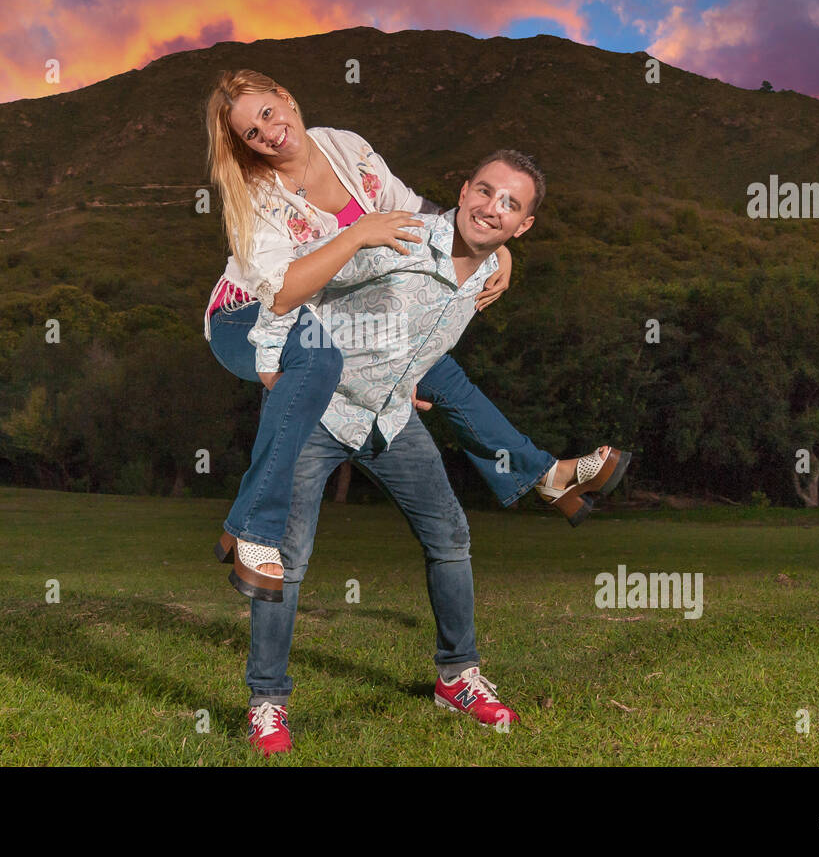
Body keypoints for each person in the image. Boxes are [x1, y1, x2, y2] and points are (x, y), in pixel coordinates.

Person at [242, 151, 631, 756]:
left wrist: (401, 377)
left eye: (510, 204)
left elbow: (417, 341)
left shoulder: (486, 274)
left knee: (450, 537)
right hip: (319, 413)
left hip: (390, 419)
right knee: (286, 558)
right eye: (485, 190)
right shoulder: (397, 238)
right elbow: (291, 288)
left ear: (522, 227)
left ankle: (457, 678)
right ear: (463, 188)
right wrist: (273, 367)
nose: (491, 207)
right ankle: (268, 703)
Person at [203, 69, 623, 603]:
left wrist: (501, 246)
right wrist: (357, 233)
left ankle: (548, 476)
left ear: (284, 96)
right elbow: (282, 293)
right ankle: (251, 529)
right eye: (251, 135)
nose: (269, 133)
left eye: (266, 113)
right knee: (319, 361)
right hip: (248, 314)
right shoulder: (257, 191)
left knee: (437, 367)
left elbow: (421, 215)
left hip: (325, 317)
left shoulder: (346, 148)